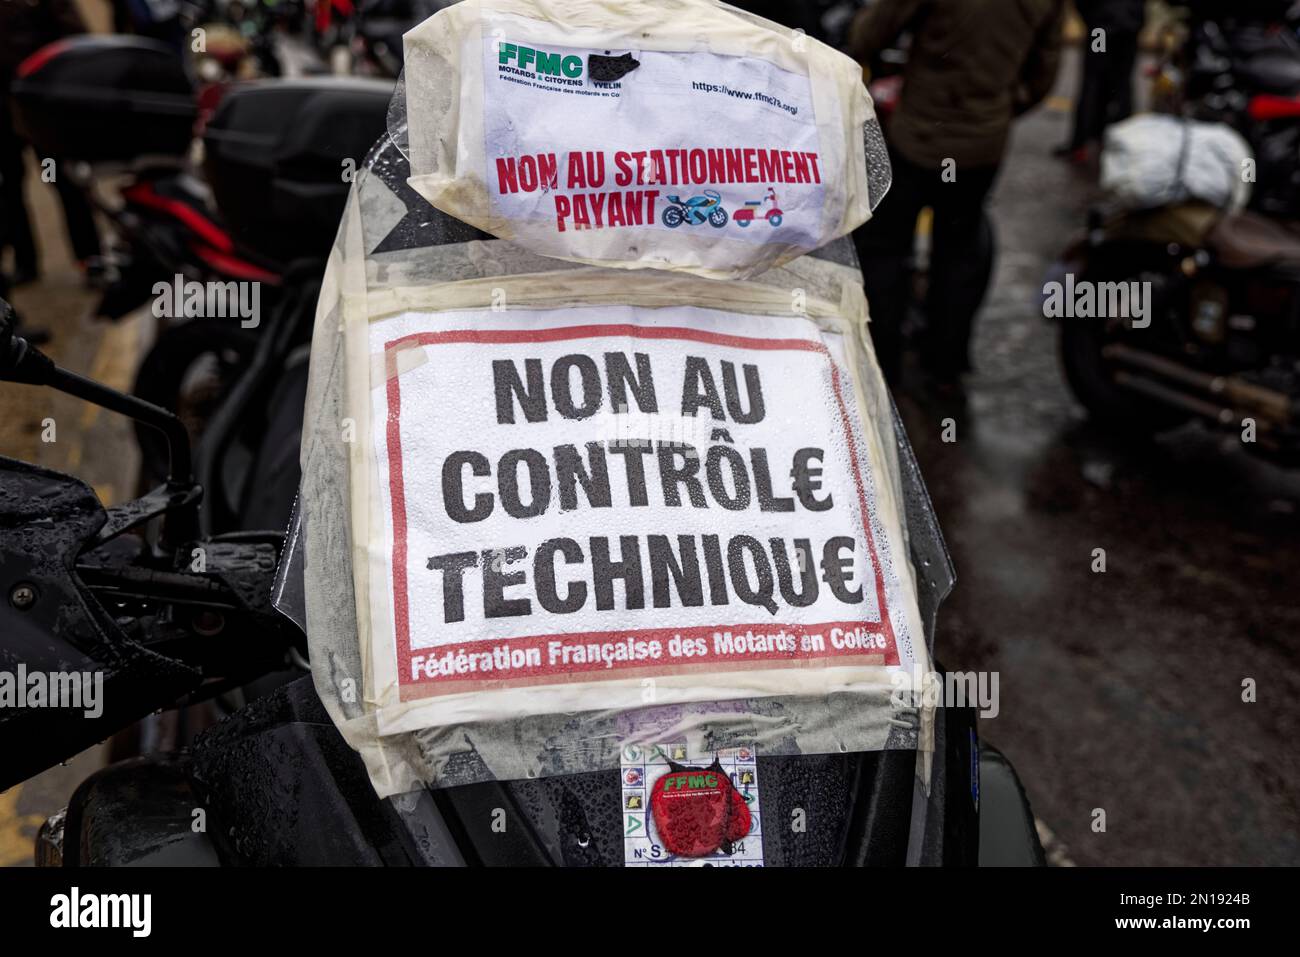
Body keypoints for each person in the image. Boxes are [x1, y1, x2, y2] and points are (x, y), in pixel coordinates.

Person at [848, 0, 1065, 388]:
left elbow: (869, 33)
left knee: (885, 249)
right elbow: (1043, 75)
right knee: (960, 250)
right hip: (982, 146)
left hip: (918, 136)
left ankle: (884, 365)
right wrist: (997, 105)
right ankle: (944, 363)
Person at [0, 0, 103, 287]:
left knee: (63, 180)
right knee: (9, 190)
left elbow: (74, 37)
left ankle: (90, 259)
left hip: (41, 108)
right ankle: (26, 263)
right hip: (5, 115)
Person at [1057, 0, 1146, 162]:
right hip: (1128, 28)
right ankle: (1119, 142)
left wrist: (1093, 19)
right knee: (1122, 85)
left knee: (1093, 80)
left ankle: (1081, 143)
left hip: (1102, 28)